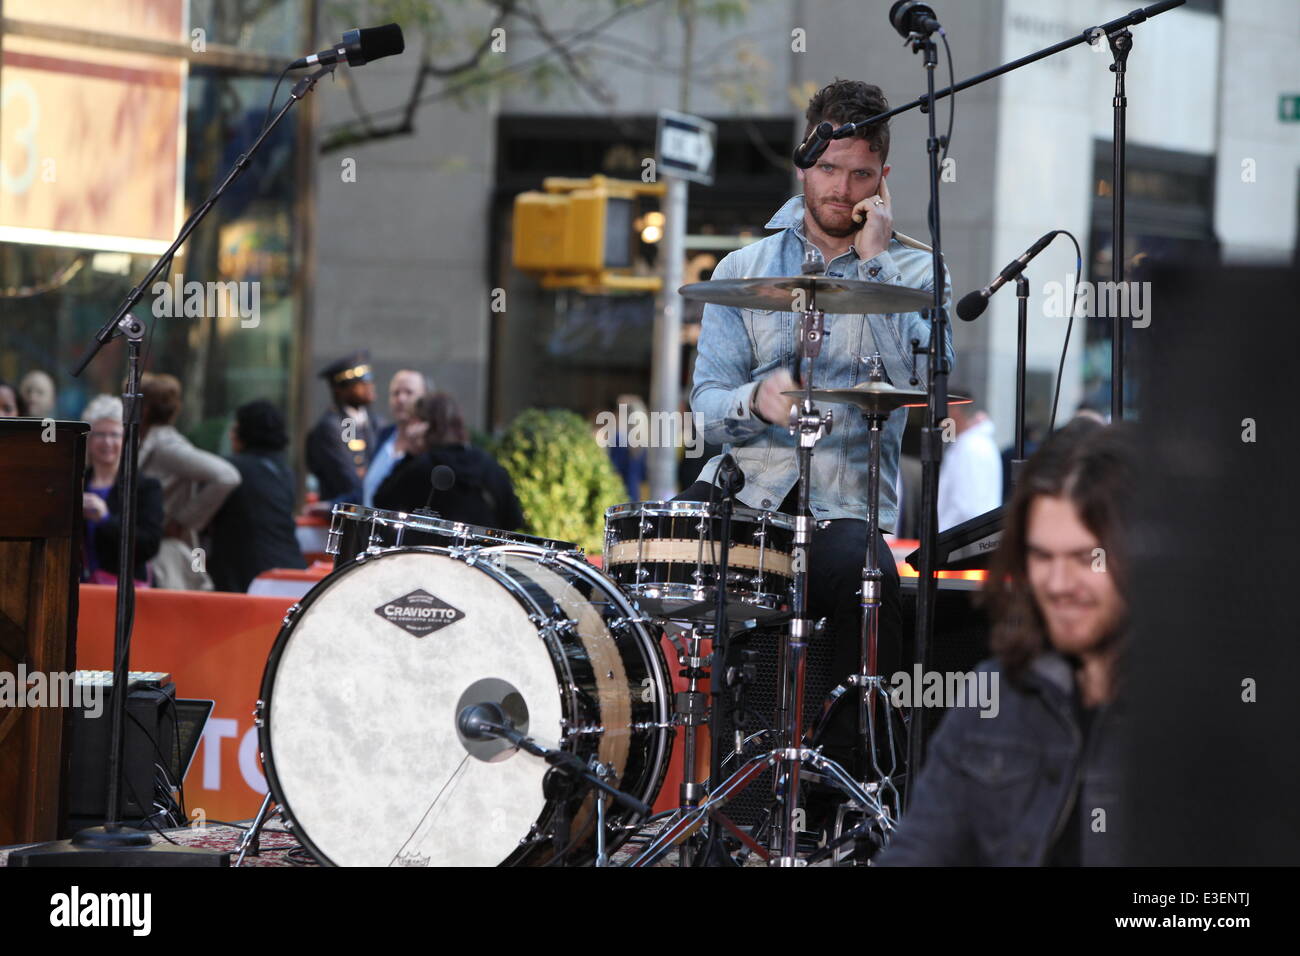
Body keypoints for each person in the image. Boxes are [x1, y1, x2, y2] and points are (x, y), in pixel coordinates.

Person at [685, 78, 953, 776]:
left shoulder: (919, 274)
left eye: (859, 172)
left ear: (883, 179)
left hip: (842, 506)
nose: (841, 187)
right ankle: (684, 772)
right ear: (803, 165)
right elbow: (703, 407)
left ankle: (847, 777)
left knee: (870, 579)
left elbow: (922, 385)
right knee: (655, 555)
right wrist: (755, 399)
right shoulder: (741, 270)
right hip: (747, 497)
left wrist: (875, 267)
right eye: (828, 169)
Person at [877, 419, 1133, 866]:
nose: (1057, 583)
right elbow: (917, 851)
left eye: (1082, 558)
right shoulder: (994, 695)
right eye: (1041, 556)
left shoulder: (1194, 711)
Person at [138, 373, 241, 590]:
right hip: (155, 547)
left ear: (144, 409)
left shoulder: (167, 446)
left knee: (175, 604)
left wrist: (182, 521)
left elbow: (227, 476)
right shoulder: (146, 442)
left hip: (168, 547)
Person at [375, 391, 524, 530]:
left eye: (412, 422)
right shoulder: (487, 464)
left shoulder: (420, 466)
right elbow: (513, 520)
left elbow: (382, 503)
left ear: (424, 426)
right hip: (479, 555)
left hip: (427, 555)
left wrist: (410, 452)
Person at [208, 400, 308, 592]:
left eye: (235, 428)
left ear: (244, 433)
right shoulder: (283, 470)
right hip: (292, 573)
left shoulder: (230, 469)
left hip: (251, 579)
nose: (231, 435)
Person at [81, 394, 164, 585]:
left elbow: (149, 545)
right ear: (89, 439)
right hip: (80, 591)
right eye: (100, 434)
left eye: (114, 435)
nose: (107, 442)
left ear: (126, 439)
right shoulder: (77, 481)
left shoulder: (145, 487)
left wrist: (106, 519)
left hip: (123, 591)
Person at [306, 351, 379, 503]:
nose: (369, 386)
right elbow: (350, 482)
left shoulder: (373, 421)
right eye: (360, 383)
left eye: (369, 381)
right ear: (340, 389)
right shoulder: (341, 424)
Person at [362, 369, 430, 507]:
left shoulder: (431, 444)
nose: (400, 399)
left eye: (408, 392)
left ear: (425, 398)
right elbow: (368, 489)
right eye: (395, 393)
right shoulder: (384, 435)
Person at [936, 390, 1001, 531]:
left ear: (955, 411)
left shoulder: (971, 447)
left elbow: (969, 508)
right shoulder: (969, 444)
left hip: (961, 544)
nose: (937, 418)